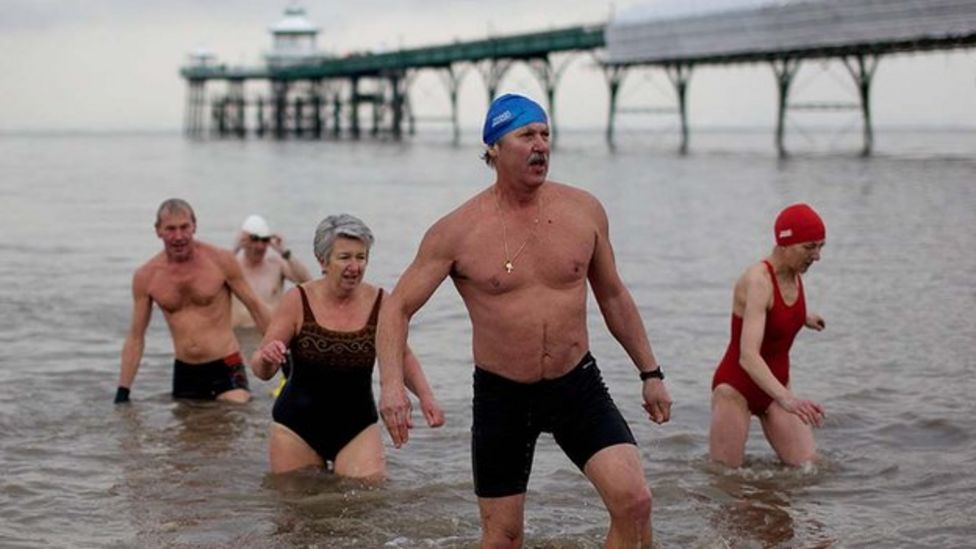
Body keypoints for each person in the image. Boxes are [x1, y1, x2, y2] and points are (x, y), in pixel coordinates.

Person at [377, 93, 672, 547]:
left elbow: (613, 295)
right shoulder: (456, 231)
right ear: (494, 148)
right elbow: (396, 308)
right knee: (503, 538)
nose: (541, 146)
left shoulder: (583, 211)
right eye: (526, 135)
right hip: (502, 396)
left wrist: (650, 372)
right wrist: (393, 388)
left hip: (576, 384)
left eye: (545, 134)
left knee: (635, 503)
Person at [251, 214, 444, 478]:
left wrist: (426, 396)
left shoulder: (381, 302)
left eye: (361, 257)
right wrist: (267, 357)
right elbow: (261, 369)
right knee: (294, 510)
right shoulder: (297, 300)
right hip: (295, 427)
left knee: (365, 503)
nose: (354, 266)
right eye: (345, 257)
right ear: (322, 260)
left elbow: (403, 355)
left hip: (358, 427)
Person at [116, 198, 271, 404]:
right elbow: (136, 337)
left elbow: (256, 307)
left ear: (194, 226)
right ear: (158, 230)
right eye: (170, 229)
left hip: (226, 363)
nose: (178, 236)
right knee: (189, 432)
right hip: (185, 371)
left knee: (236, 413)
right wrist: (123, 392)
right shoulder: (147, 276)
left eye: (184, 227)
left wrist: (285, 358)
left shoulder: (221, 260)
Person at [709, 203, 827, 467]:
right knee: (726, 482)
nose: (817, 256)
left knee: (811, 468)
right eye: (809, 247)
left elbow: (777, 311)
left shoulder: (795, 273)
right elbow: (748, 356)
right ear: (785, 243)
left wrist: (805, 317)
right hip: (737, 387)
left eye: (821, 246)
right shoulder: (758, 281)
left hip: (776, 386)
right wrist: (788, 400)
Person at [231, 214, 312, 329]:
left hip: (269, 337)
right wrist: (235, 249)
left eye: (265, 240)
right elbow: (209, 285)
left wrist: (285, 252)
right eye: (254, 239)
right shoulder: (232, 267)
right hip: (241, 338)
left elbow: (307, 282)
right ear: (243, 240)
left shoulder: (276, 265)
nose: (260, 246)